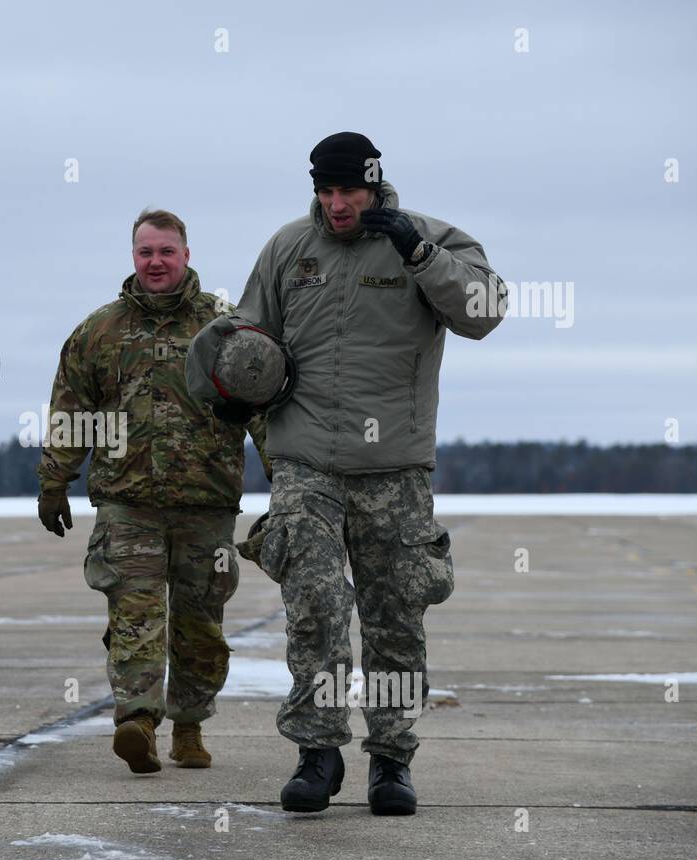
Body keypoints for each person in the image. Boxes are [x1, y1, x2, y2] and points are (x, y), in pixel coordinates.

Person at [187, 132, 509, 814]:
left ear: (374, 184)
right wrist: (227, 384)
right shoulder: (287, 249)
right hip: (306, 463)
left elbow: (483, 313)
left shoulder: (429, 239)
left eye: (349, 192)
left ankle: (391, 761)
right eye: (326, 191)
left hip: (394, 469)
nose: (337, 205)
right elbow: (249, 336)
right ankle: (317, 751)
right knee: (315, 610)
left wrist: (419, 257)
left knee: (394, 619)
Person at [37, 209, 270, 774]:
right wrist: (54, 480)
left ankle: (189, 726)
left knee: (199, 622)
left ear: (186, 255)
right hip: (127, 501)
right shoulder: (100, 331)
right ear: (133, 257)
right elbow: (72, 409)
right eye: (145, 252)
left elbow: (261, 402)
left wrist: (287, 475)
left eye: (166, 251)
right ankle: (136, 720)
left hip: (206, 502)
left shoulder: (227, 326)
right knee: (135, 613)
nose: (156, 262)